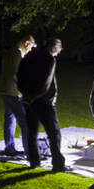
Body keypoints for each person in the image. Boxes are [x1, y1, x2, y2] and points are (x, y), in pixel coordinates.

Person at [18, 38, 67, 171]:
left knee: (31, 132)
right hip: (44, 102)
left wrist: (25, 95)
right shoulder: (49, 59)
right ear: (53, 47)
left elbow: (19, 76)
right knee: (54, 133)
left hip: (28, 100)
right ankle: (57, 163)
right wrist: (33, 96)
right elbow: (45, 84)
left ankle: (34, 161)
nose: (58, 52)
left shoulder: (29, 56)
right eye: (58, 49)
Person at [0, 34, 35, 156]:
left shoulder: (9, 52)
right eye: (31, 46)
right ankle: (29, 151)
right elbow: (18, 73)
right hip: (14, 92)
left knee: (9, 119)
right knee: (25, 122)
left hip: (4, 89)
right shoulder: (18, 54)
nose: (31, 49)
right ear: (26, 43)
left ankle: (9, 148)